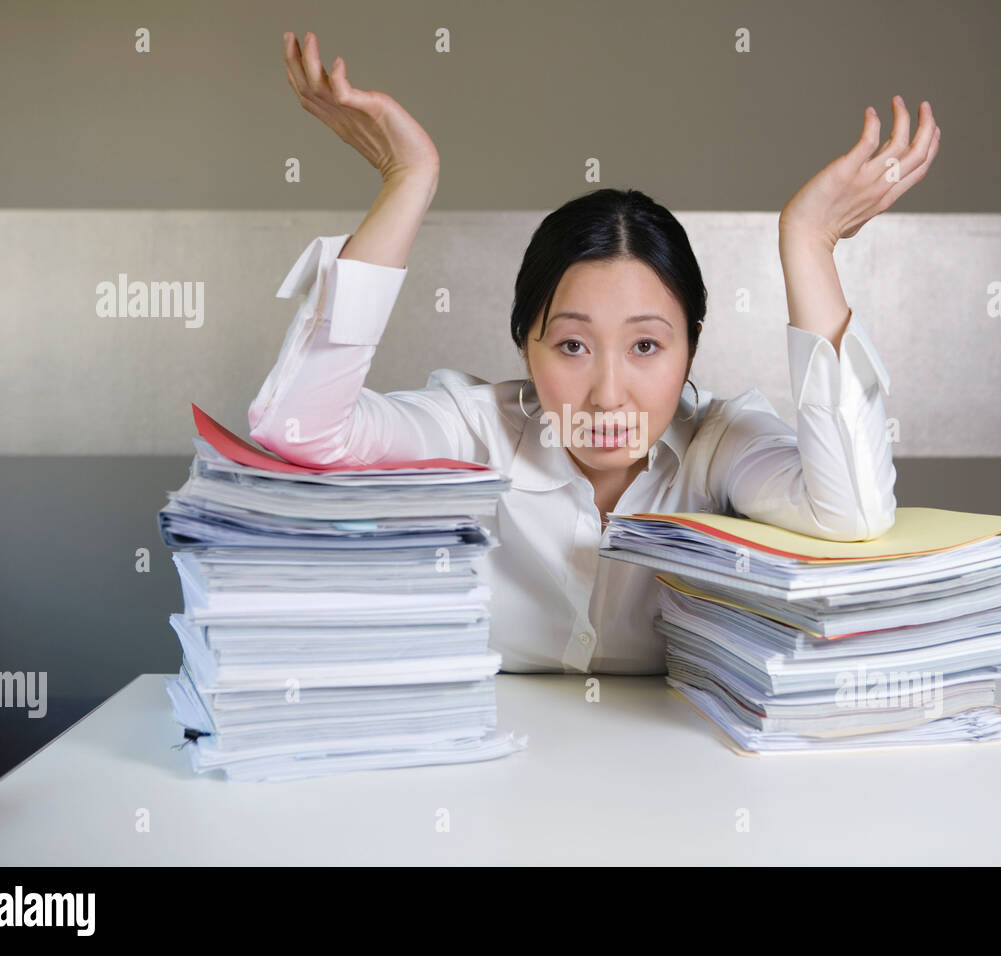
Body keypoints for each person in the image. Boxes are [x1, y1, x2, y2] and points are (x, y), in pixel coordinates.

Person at [250, 31, 941, 674]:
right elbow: (301, 430)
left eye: (646, 345)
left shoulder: (719, 443)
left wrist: (809, 243)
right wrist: (408, 178)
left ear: (691, 348)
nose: (609, 393)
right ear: (526, 343)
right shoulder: (474, 429)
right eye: (573, 345)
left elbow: (851, 512)